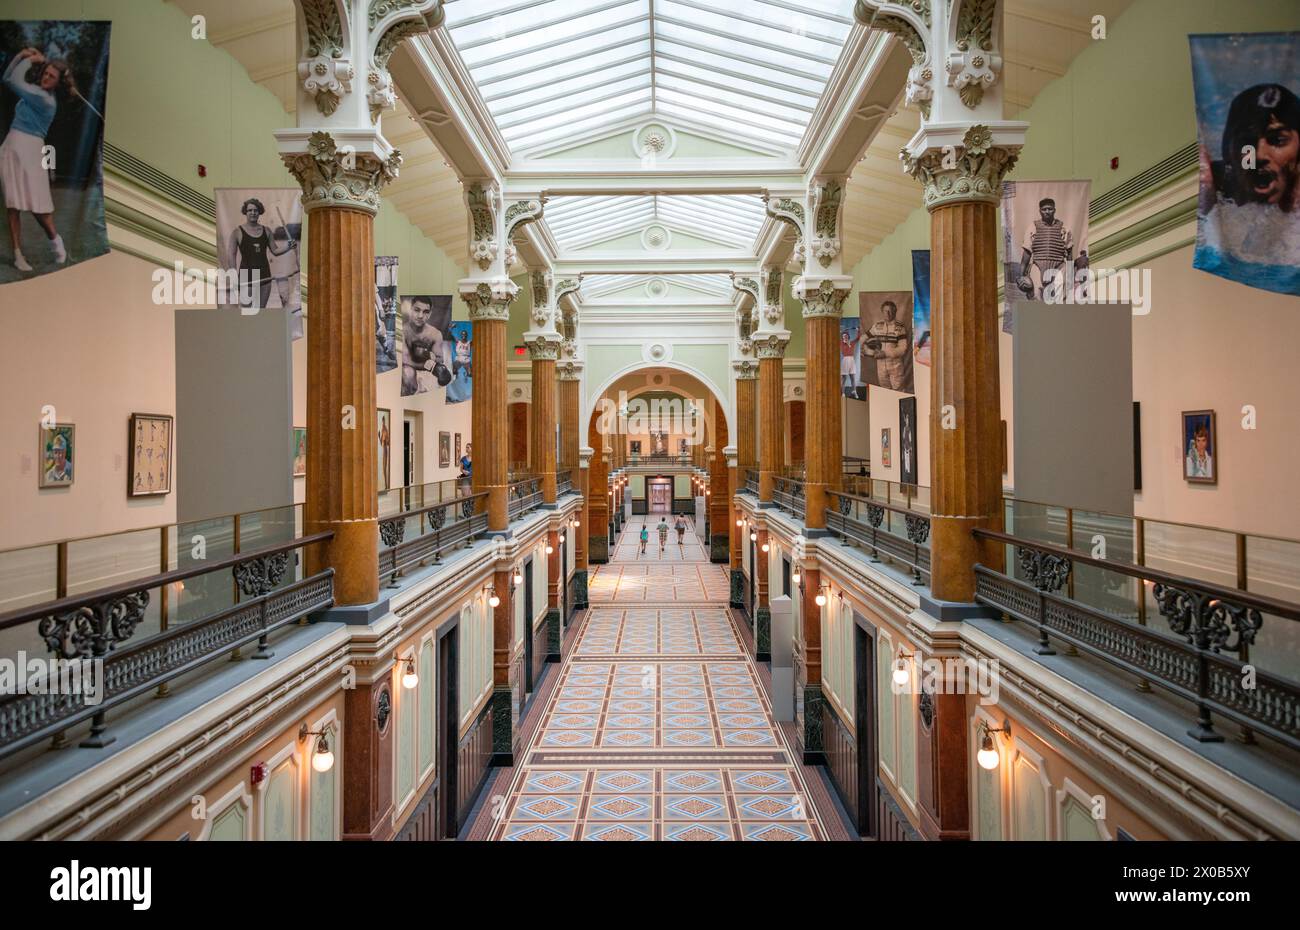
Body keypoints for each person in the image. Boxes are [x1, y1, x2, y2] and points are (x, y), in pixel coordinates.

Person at [2, 48, 76, 272]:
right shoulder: (34, 90)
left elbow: (12, 80)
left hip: (32, 150)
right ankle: (17, 255)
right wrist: (20, 57)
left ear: (57, 84)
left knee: (39, 208)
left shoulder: (45, 100)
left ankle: (56, 242)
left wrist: (30, 59)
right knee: (13, 205)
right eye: (45, 72)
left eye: (51, 76)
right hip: (12, 147)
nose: (45, 77)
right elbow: (7, 78)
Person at [229, 198, 297, 312]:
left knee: (261, 311)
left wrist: (289, 247)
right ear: (245, 212)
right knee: (247, 311)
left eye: (255, 210)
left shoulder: (267, 231)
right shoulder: (237, 232)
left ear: (259, 212)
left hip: (264, 274)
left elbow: (275, 251)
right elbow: (231, 255)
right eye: (250, 210)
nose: (253, 213)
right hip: (247, 275)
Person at [1015, 198, 1086, 302]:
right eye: (1044, 209)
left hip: (1059, 265)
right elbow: (1026, 254)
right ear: (1040, 211)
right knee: (1036, 296)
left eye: (1050, 209)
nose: (1047, 212)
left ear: (1054, 210)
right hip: (1038, 265)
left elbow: (1069, 254)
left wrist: (1070, 275)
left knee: (1060, 297)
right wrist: (1021, 276)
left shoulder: (1064, 229)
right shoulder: (1032, 228)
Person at [401, 297, 451, 394]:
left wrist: (430, 358)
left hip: (426, 367)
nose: (420, 316)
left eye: (425, 312)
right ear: (410, 309)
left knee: (443, 375)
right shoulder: (404, 331)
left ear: (430, 314)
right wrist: (428, 366)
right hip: (409, 366)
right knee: (408, 374)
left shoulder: (435, 334)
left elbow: (440, 359)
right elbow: (405, 360)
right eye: (417, 310)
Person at [863, 300, 913, 392]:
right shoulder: (877, 326)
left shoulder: (900, 327)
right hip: (881, 367)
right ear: (882, 312)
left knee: (899, 393)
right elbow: (864, 338)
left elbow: (903, 348)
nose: (888, 313)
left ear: (895, 312)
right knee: (885, 393)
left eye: (890, 311)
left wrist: (885, 354)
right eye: (885, 311)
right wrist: (863, 349)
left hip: (895, 367)